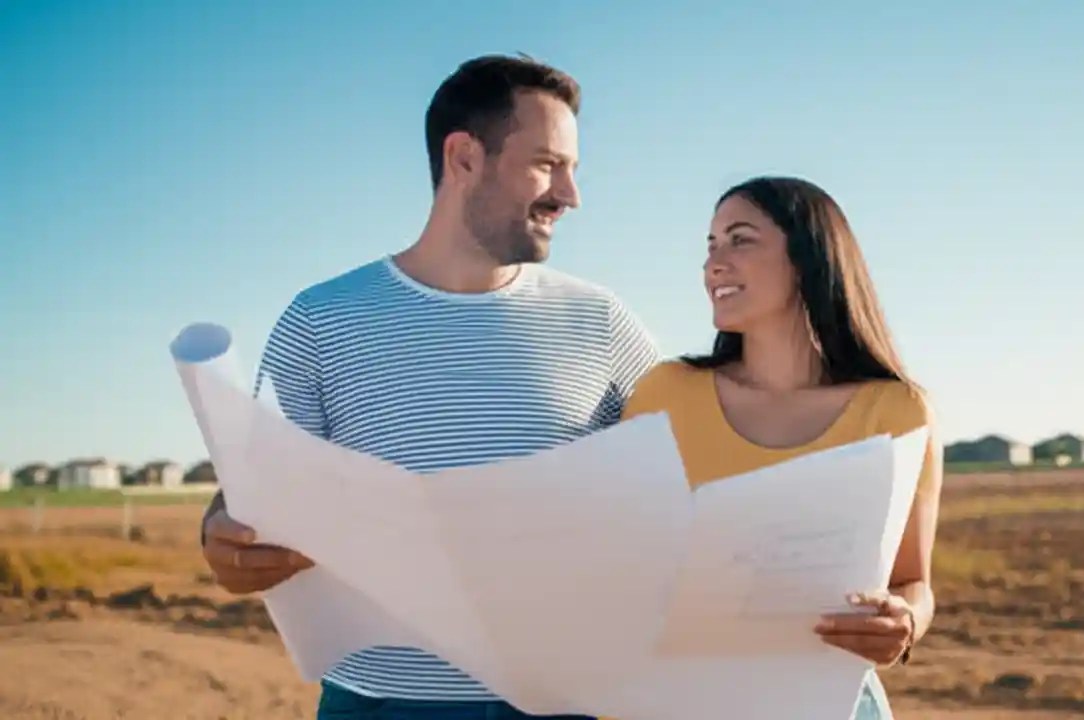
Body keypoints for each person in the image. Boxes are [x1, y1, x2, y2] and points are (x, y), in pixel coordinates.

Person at [197, 54, 660, 719]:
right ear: (464, 157)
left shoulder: (604, 323)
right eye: (547, 164)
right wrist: (221, 534)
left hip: (567, 702)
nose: (570, 195)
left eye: (573, 170)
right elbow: (253, 491)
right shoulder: (321, 320)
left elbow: (695, 468)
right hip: (384, 704)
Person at [620, 176, 944, 719]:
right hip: (677, 700)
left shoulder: (899, 411)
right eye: (710, 245)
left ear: (808, 258)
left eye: (740, 240)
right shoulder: (664, 395)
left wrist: (905, 623)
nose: (713, 264)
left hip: (830, 701)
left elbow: (912, 581)